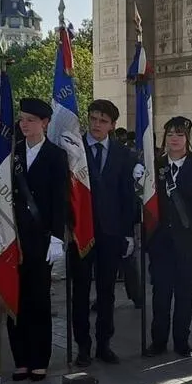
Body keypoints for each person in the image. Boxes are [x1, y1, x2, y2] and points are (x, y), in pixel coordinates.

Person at [0, 99, 68, 381]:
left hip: (41, 237)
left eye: (31, 120)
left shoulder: (56, 155)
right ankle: (20, 359)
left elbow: (60, 199)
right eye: (22, 119)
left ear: (45, 123)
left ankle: (39, 359)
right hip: (13, 235)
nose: (24, 124)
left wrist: (57, 237)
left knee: (38, 299)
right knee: (15, 296)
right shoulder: (12, 153)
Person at [70, 99, 140, 366]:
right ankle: (83, 346)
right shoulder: (75, 150)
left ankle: (104, 344)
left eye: (103, 121)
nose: (97, 124)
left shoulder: (124, 154)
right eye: (93, 118)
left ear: (112, 125)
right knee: (80, 290)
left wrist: (128, 233)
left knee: (107, 291)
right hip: (81, 231)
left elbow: (127, 196)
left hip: (111, 232)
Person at [145, 116, 192, 357]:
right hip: (160, 244)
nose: (174, 139)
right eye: (170, 134)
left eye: (179, 135)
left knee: (185, 295)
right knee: (161, 296)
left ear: (187, 139)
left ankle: (181, 341)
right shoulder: (153, 167)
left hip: (189, 244)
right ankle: (158, 341)